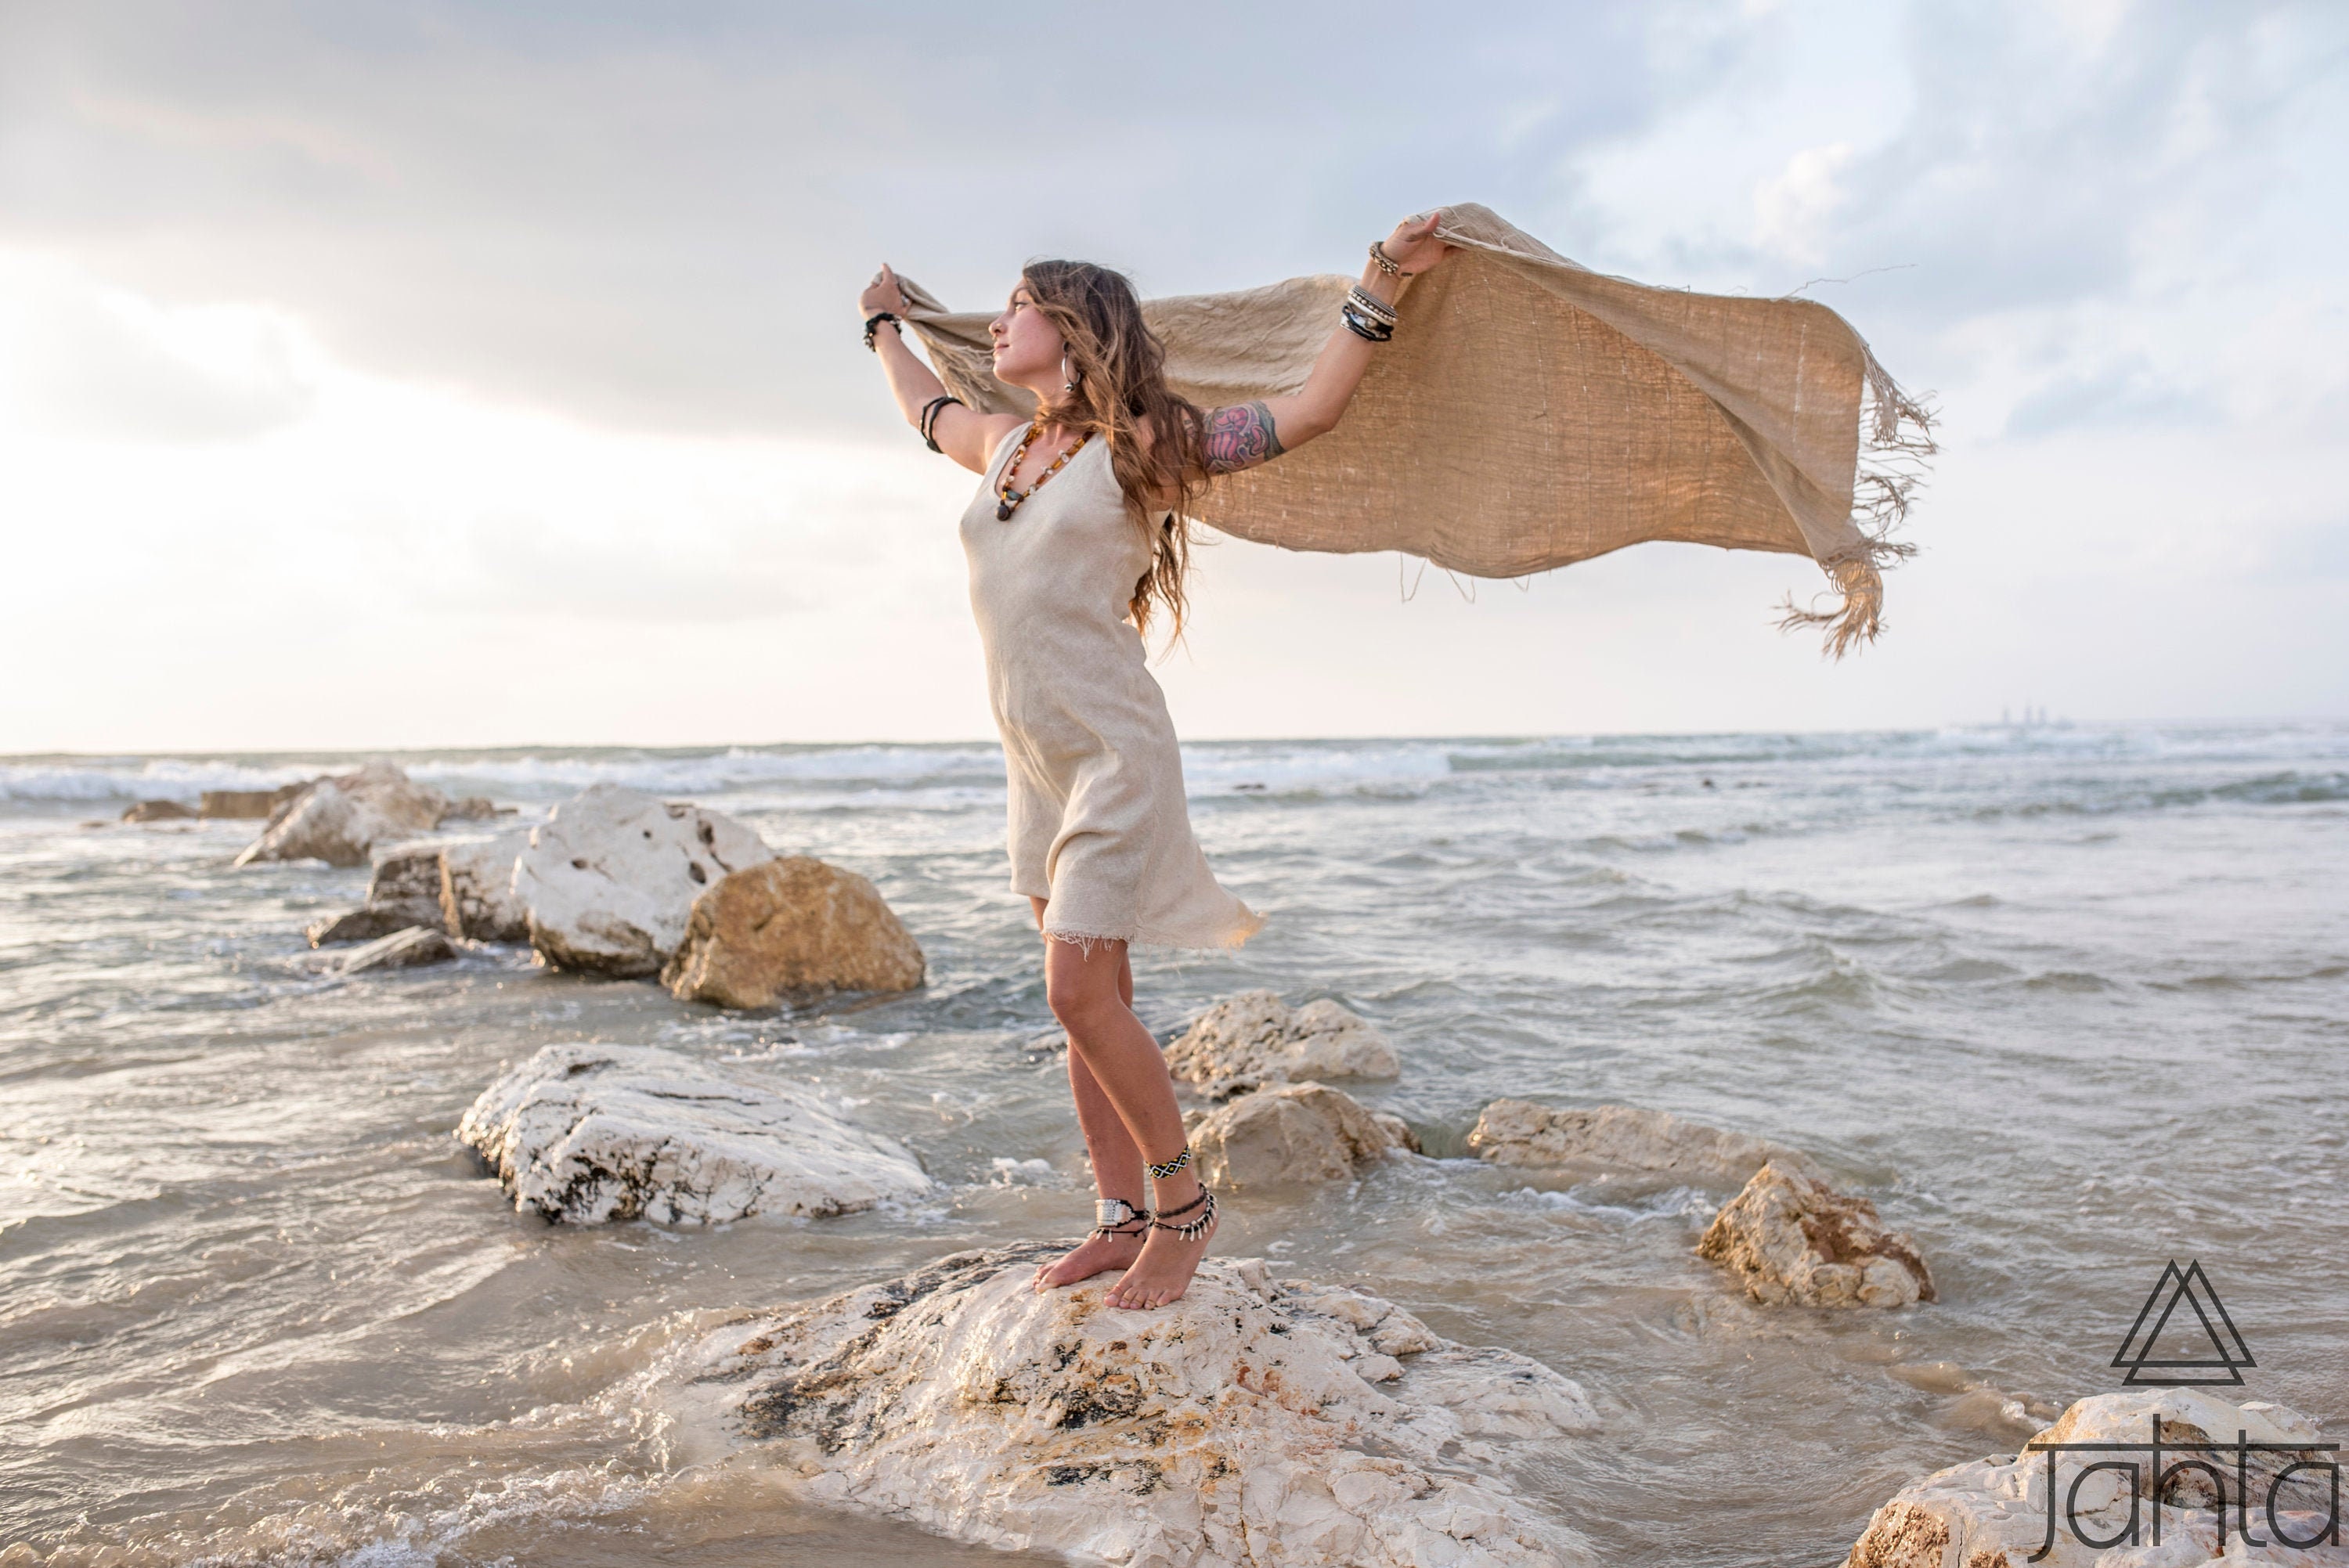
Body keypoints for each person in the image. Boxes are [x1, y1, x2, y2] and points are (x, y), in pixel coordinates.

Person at [857, 214, 1455, 1310]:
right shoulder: (1003, 447)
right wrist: (884, 324)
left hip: (1115, 760)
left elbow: (1312, 411)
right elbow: (921, 408)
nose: (996, 323)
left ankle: (1184, 1210)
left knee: (1078, 990)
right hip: (1035, 767)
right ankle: (1117, 1217)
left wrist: (1379, 282)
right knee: (1094, 1000)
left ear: (1073, 326)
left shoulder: (1140, 449)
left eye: (1019, 305)